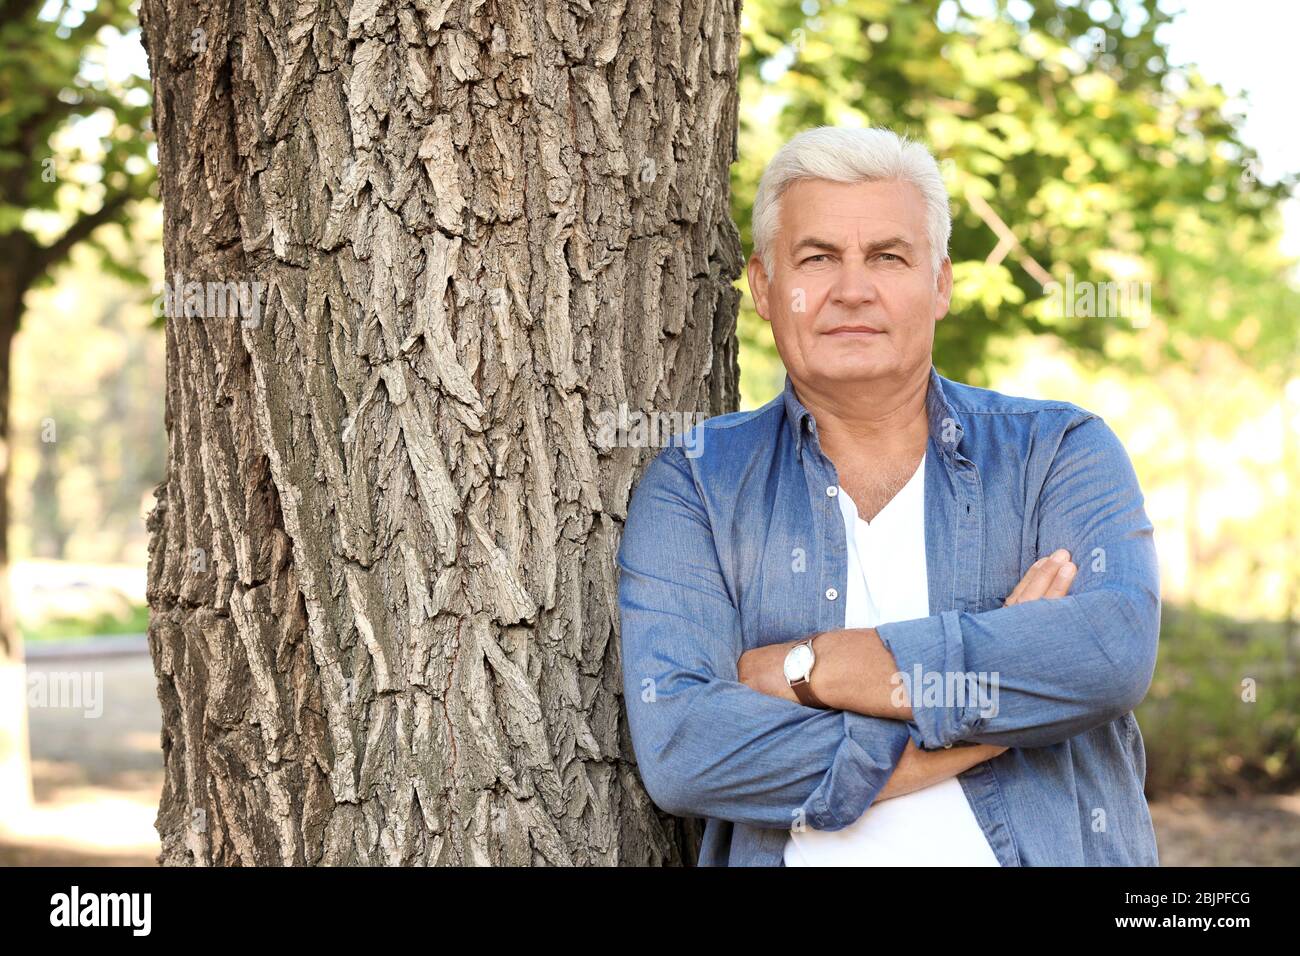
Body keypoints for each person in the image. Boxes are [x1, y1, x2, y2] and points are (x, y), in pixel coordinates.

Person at [616, 126, 1160, 866]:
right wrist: (1001, 707)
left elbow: (1110, 652)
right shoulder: (696, 486)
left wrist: (813, 668)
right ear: (765, 288)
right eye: (817, 258)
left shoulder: (1056, 453)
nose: (852, 289)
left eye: (888, 257)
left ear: (940, 284)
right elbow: (684, 750)